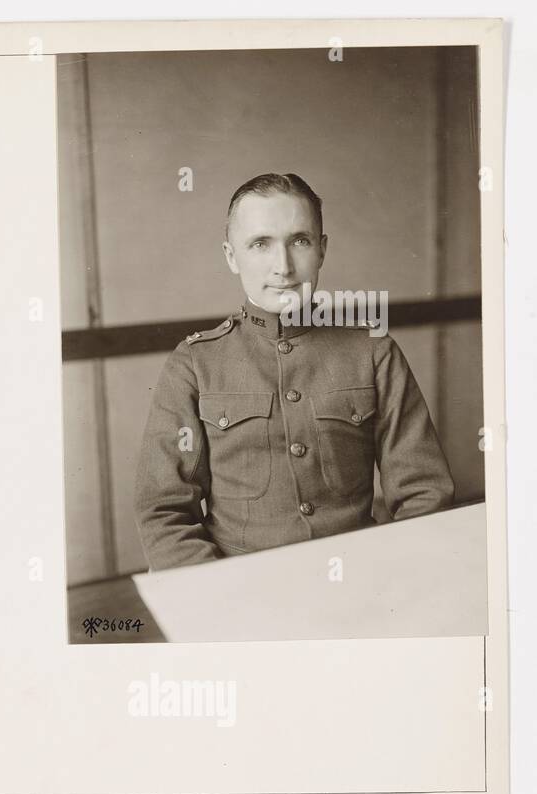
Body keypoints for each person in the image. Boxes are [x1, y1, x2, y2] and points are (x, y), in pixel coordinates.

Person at [133, 173, 454, 571]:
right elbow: (164, 512)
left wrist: (389, 578)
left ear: (321, 250)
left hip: (356, 581)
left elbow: (425, 492)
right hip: (238, 596)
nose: (282, 267)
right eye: (260, 244)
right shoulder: (194, 365)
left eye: (299, 241)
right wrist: (217, 597)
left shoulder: (373, 353)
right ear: (232, 256)